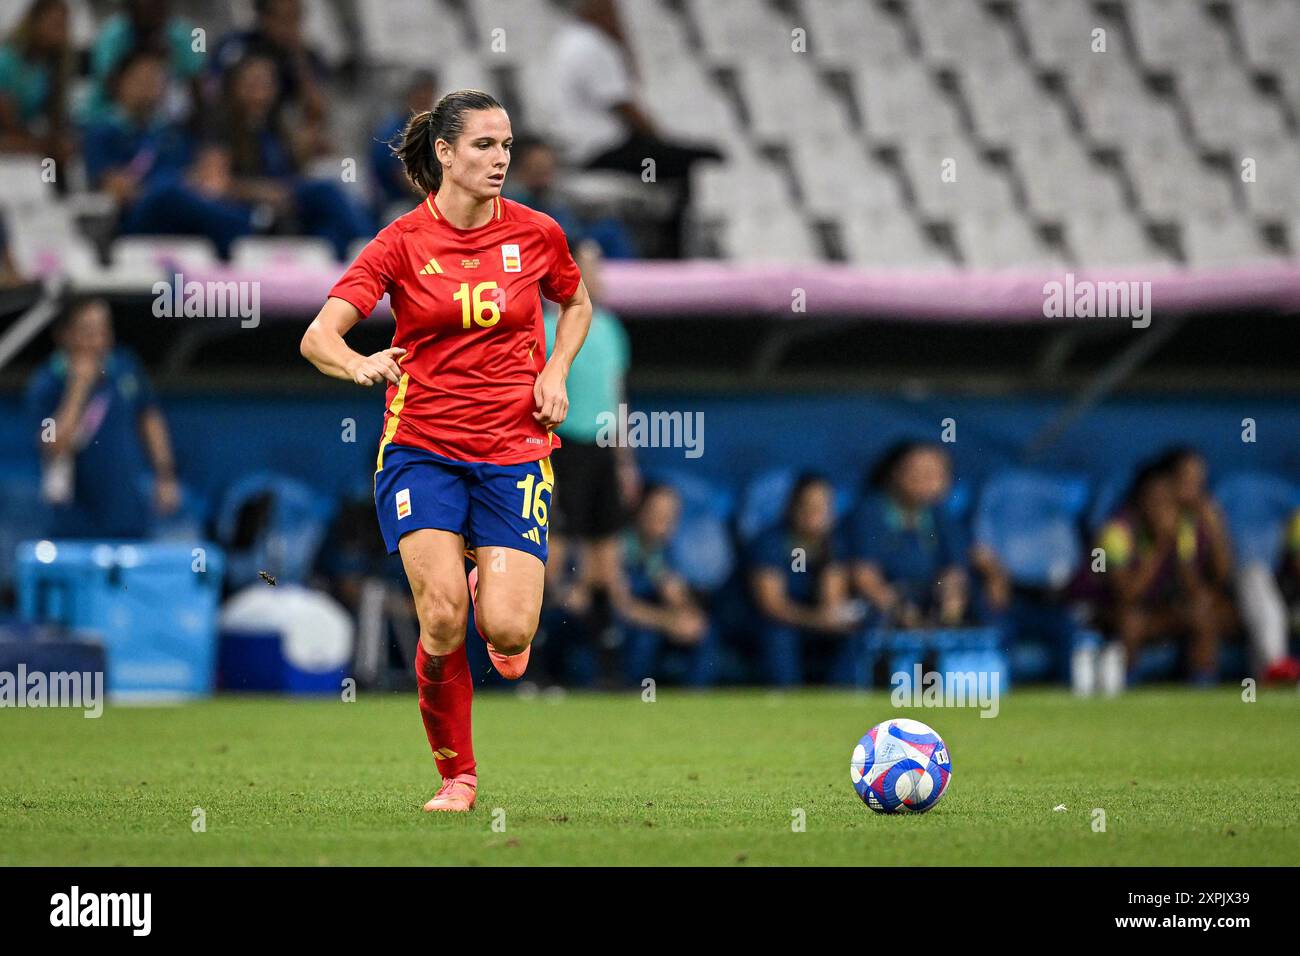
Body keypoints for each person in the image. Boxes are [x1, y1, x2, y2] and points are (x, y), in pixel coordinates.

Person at [300, 90, 592, 812]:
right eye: (485, 146)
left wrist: (555, 371)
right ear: (444, 153)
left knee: (510, 629)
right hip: (421, 448)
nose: (500, 160)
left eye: (506, 147)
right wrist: (359, 363)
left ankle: (487, 593)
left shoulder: (538, 234)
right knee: (438, 619)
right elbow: (318, 337)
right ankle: (457, 776)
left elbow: (576, 302)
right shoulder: (400, 243)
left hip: (513, 448)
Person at [548, 0, 721, 257]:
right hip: (601, 150)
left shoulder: (569, 41)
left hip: (586, 148)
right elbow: (623, 105)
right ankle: (671, 254)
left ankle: (667, 242)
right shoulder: (591, 46)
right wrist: (660, 141)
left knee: (678, 159)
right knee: (689, 159)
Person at [542, 238, 637, 684]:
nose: (596, 276)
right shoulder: (543, 327)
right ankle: (538, 666)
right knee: (551, 560)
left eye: (599, 267)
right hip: (561, 449)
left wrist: (624, 462)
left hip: (601, 452)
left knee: (606, 564)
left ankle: (607, 668)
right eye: (587, 267)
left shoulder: (612, 329)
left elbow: (618, 400)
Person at [24, 297, 181, 539]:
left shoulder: (124, 367)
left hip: (128, 515)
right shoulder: (47, 383)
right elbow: (53, 445)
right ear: (64, 335)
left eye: (104, 330)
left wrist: (165, 475)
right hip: (73, 522)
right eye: (88, 332)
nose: (99, 341)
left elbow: (149, 418)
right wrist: (78, 389)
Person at [82, 49, 254, 257]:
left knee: (198, 198)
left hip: (181, 213)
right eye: (142, 80)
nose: (149, 87)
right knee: (167, 192)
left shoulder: (172, 134)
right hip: (135, 217)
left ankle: (244, 242)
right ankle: (245, 234)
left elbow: (199, 179)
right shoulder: (103, 131)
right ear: (120, 83)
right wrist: (164, 187)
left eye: (156, 80)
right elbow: (116, 187)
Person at [1095, 460, 1235, 686]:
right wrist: (1159, 548)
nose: (1161, 510)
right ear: (1140, 502)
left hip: (1162, 609)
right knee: (1131, 622)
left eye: (1167, 503)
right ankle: (1125, 684)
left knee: (1202, 613)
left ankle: (1203, 684)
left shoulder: (1183, 529)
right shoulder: (1117, 533)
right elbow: (1127, 595)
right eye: (1154, 502)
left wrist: (1183, 545)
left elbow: (1194, 587)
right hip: (1109, 611)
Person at [749, 473, 863, 686]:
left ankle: (840, 698)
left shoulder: (834, 544)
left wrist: (831, 613)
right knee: (779, 635)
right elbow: (772, 605)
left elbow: (832, 601)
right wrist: (817, 620)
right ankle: (785, 697)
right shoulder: (770, 542)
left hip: (811, 622)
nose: (815, 513)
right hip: (771, 622)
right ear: (791, 507)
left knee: (852, 633)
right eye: (807, 505)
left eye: (823, 506)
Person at [847, 442, 975, 629]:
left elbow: (954, 568)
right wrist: (900, 611)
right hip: (883, 605)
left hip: (926, 601)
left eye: (938, 473)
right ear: (894, 472)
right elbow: (864, 575)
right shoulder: (870, 512)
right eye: (920, 471)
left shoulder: (940, 516)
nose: (930, 480)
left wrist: (950, 603)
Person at [617, 482, 717, 687]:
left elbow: (675, 591)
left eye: (671, 515)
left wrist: (686, 613)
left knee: (703, 631)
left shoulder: (664, 551)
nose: (664, 521)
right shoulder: (617, 545)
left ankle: (694, 702)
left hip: (654, 616)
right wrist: (666, 621)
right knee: (644, 639)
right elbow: (620, 605)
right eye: (657, 513)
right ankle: (631, 696)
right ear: (639, 510)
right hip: (618, 622)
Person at [0, 0, 75, 172]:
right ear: (35, 21)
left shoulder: (52, 67)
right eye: (55, 24)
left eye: (64, 25)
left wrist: (56, 140)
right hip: (9, 133)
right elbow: (7, 119)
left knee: (60, 149)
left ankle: (54, 191)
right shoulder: (5, 60)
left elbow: (56, 116)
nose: (61, 31)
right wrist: (41, 144)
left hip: (28, 135)